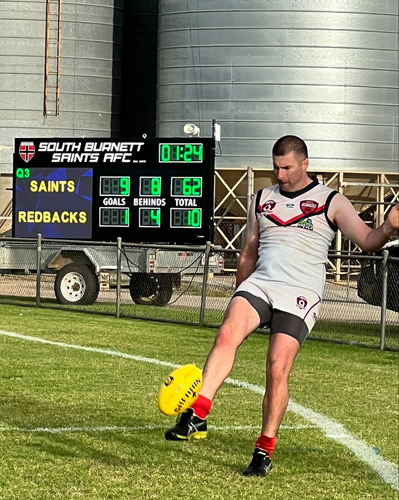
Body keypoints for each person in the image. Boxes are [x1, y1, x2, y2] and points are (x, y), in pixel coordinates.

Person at [165, 135, 399, 477]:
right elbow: (249, 250)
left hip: (300, 291)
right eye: (275, 166)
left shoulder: (330, 200)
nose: (280, 174)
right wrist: (240, 291)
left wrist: (388, 227)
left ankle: (264, 450)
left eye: (286, 167)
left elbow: (366, 241)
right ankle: (198, 415)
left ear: (305, 164)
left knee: (276, 369)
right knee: (227, 334)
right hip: (262, 282)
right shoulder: (261, 198)